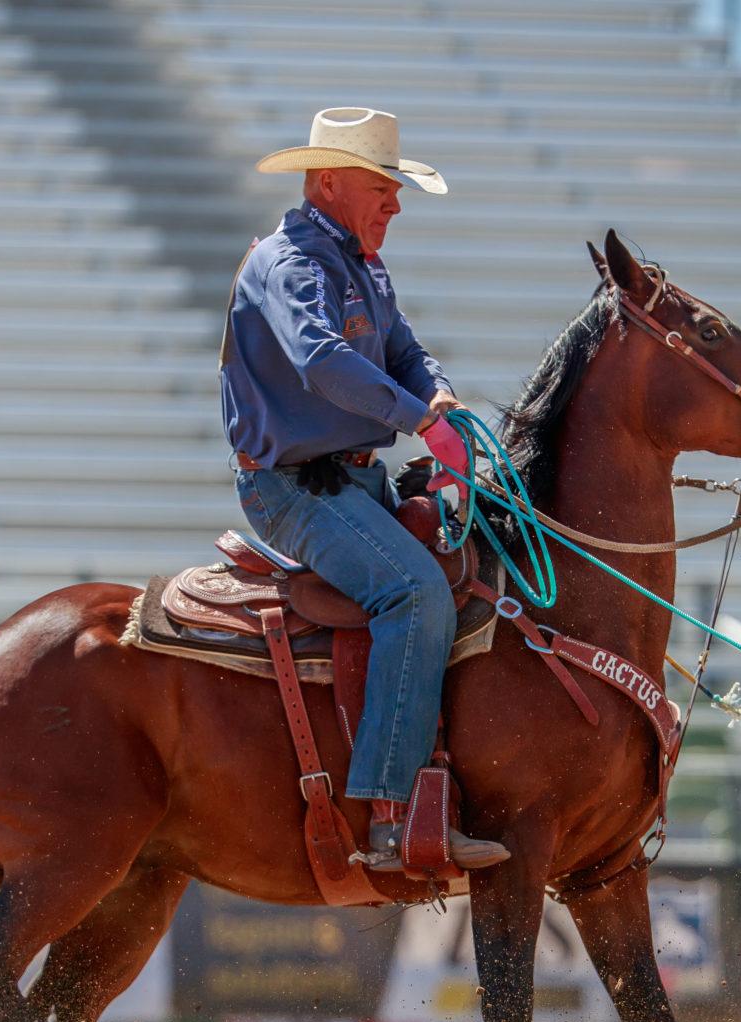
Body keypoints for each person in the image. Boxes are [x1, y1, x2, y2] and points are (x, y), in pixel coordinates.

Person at [220, 107, 507, 871]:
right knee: (415, 595)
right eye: (382, 186)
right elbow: (321, 361)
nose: (395, 204)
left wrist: (437, 401)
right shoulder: (293, 266)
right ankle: (392, 816)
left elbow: (408, 351)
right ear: (327, 182)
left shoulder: (362, 266)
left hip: (350, 479)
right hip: (292, 488)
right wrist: (419, 421)